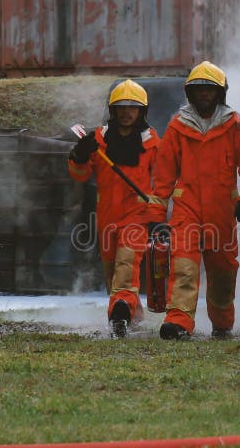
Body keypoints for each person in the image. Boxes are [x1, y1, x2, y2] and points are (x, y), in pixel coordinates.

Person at [150, 61, 240, 340]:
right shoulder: (178, 127)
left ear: (220, 93)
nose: (204, 95)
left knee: (223, 271)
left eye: (209, 90)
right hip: (186, 210)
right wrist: (155, 214)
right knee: (184, 266)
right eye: (199, 90)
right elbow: (163, 176)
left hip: (222, 213)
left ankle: (223, 322)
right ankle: (178, 321)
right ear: (190, 94)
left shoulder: (236, 126)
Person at [67, 79, 161, 338]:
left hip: (137, 216)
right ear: (112, 110)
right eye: (121, 107)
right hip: (106, 217)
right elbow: (80, 175)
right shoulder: (98, 139)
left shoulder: (152, 142)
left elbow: (163, 182)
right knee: (113, 274)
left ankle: (117, 315)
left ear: (142, 111)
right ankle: (133, 315)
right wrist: (80, 156)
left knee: (127, 265)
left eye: (133, 107)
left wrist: (156, 215)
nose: (126, 112)